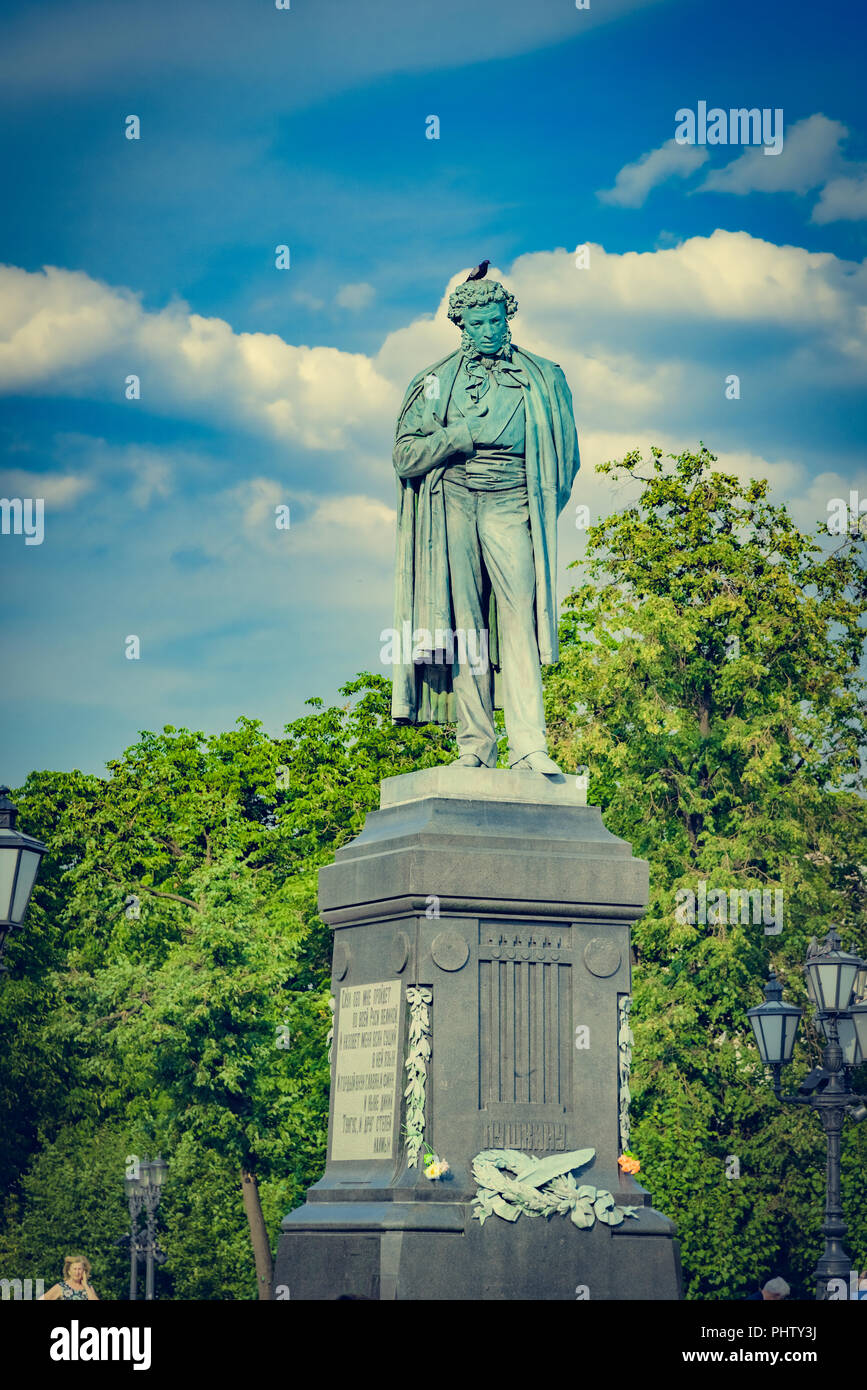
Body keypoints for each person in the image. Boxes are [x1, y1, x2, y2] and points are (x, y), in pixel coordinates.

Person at [391, 275, 579, 773]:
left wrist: (535, 509)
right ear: (461, 325)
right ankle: (475, 744)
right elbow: (405, 456)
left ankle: (530, 746)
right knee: (466, 627)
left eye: (497, 320)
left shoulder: (544, 376)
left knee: (519, 620)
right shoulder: (433, 381)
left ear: (508, 318)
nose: (490, 330)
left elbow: (567, 462)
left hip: (513, 500)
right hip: (453, 501)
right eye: (478, 323)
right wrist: (459, 436)